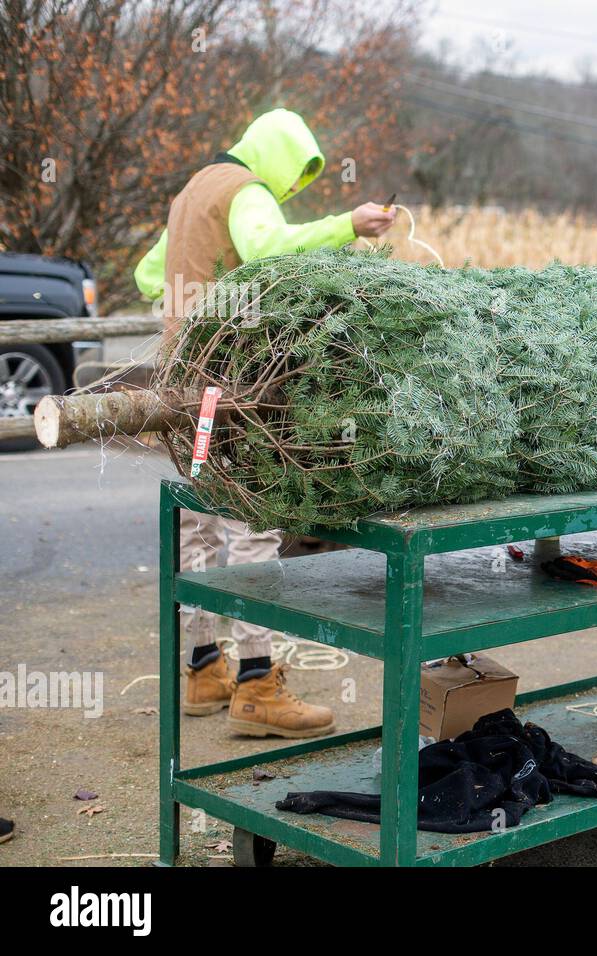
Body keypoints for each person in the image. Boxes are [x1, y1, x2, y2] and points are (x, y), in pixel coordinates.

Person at [135, 108, 395, 738]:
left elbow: (149, 275)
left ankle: (202, 668)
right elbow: (268, 247)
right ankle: (257, 684)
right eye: (294, 178)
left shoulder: (196, 189)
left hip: (183, 388)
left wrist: (194, 307)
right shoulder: (246, 192)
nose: (287, 194)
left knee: (197, 525)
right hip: (227, 388)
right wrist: (346, 225)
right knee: (253, 524)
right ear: (278, 155)